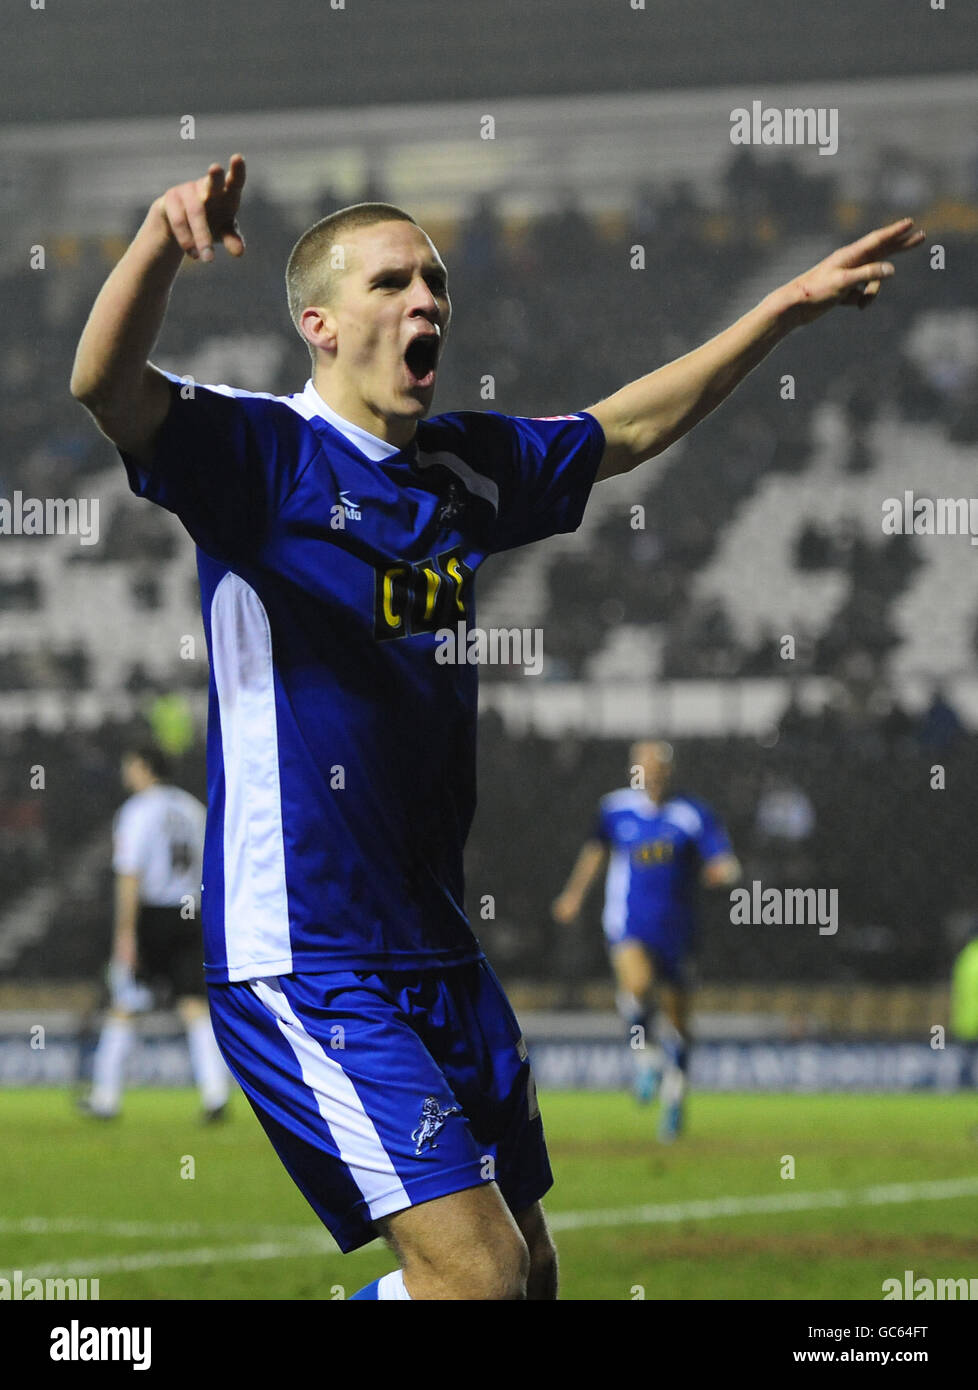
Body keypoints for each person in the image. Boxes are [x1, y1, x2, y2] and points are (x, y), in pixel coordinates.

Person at [69, 150, 923, 1299]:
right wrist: (159, 244)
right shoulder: (257, 455)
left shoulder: (464, 467)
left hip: (434, 943)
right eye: (393, 284)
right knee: (474, 1277)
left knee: (531, 1277)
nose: (429, 302)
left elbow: (622, 430)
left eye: (436, 285)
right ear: (319, 323)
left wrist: (779, 310)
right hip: (308, 947)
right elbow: (104, 386)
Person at [552, 741, 740, 1140]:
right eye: (644, 766)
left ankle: (674, 1098)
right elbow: (594, 853)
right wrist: (573, 895)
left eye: (658, 767)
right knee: (637, 985)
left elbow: (722, 858)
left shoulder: (692, 814)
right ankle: (645, 1057)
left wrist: (726, 871)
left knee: (678, 1022)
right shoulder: (615, 809)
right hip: (628, 924)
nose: (651, 773)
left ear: (670, 771)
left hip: (678, 932)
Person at [82, 745, 230, 1121]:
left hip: (153, 916)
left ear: (145, 768)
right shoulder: (191, 808)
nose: (125, 772)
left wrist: (125, 935)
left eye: (129, 765)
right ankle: (215, 1094)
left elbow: (130, 876)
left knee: (125, 1002)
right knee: (193, 1003)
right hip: (190, 912)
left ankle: (104, 1098)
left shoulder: (136, 811)